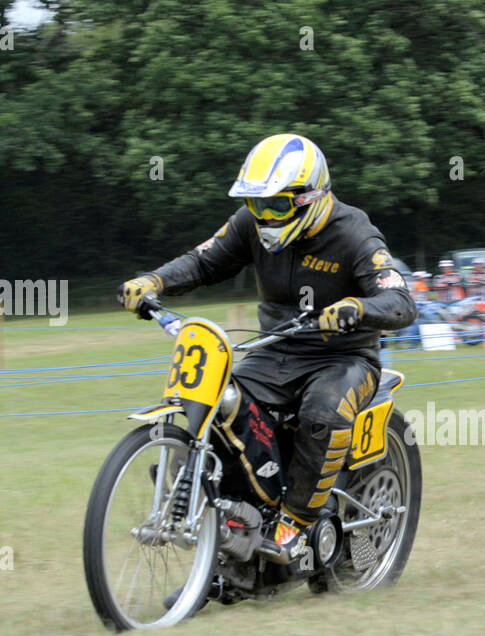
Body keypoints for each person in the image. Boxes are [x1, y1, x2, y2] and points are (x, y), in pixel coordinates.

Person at [117, 133, 415, 564]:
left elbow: (402, 302)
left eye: (276, 206)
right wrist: (154, 281)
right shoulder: (249, 224)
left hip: (346, 359)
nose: (265, 218)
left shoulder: (355, 233)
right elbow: (204, 260)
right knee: (221, 404)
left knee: (322, 414)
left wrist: (357, 307)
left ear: (311, 197)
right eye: (258, 206)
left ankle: (295, 523)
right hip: (275, 351)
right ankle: (232, 527)